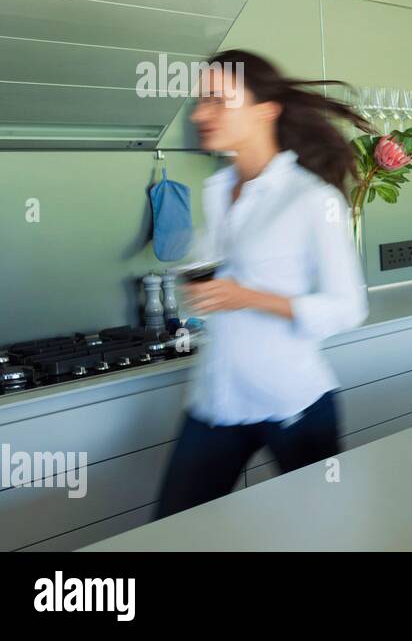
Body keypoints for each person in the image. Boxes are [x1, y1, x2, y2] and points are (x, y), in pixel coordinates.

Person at [156, 50, 369, 518]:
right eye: (199, 101)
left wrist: (244, 296)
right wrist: (206, 294)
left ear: (264, 109)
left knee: (325, 535)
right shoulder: (217, 192)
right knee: (170, 534)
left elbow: (347, 308)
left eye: (216, 100)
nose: (199, 113)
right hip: (217, 399)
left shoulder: (311, 198)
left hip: (292, 402)